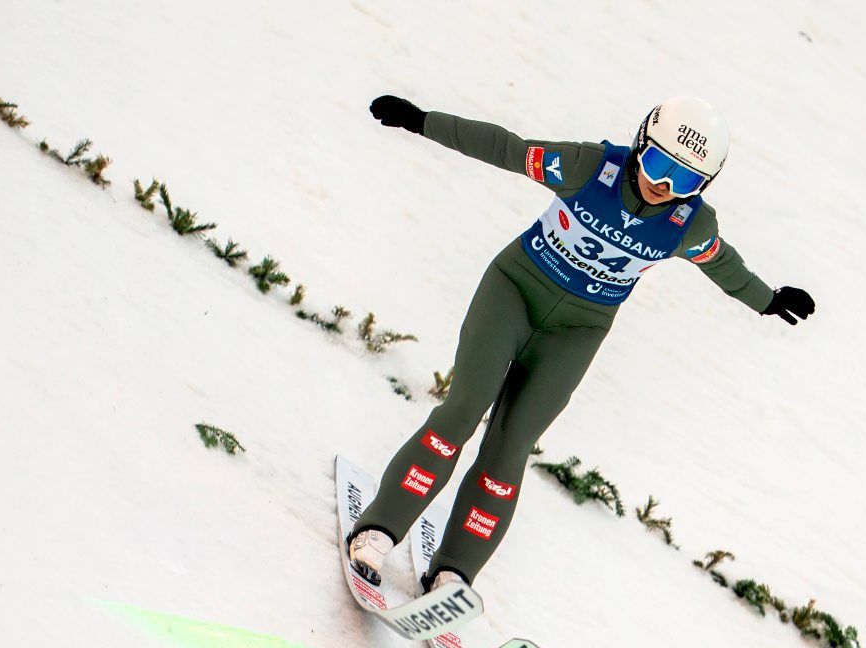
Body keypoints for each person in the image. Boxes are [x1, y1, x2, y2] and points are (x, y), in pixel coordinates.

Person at [347, 95, 815, 593]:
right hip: (513, 292)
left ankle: (455, 571)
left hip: (576, 332)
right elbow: (507, 147)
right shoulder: (590, 167)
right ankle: (380, 528)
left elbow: (723, 264)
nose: (662, 185)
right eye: (657, 164)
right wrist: (422, 122)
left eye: (684, 181)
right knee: (461, 412)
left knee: (510, 448)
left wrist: (766, 299)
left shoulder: (691, 224)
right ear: (639, 144)